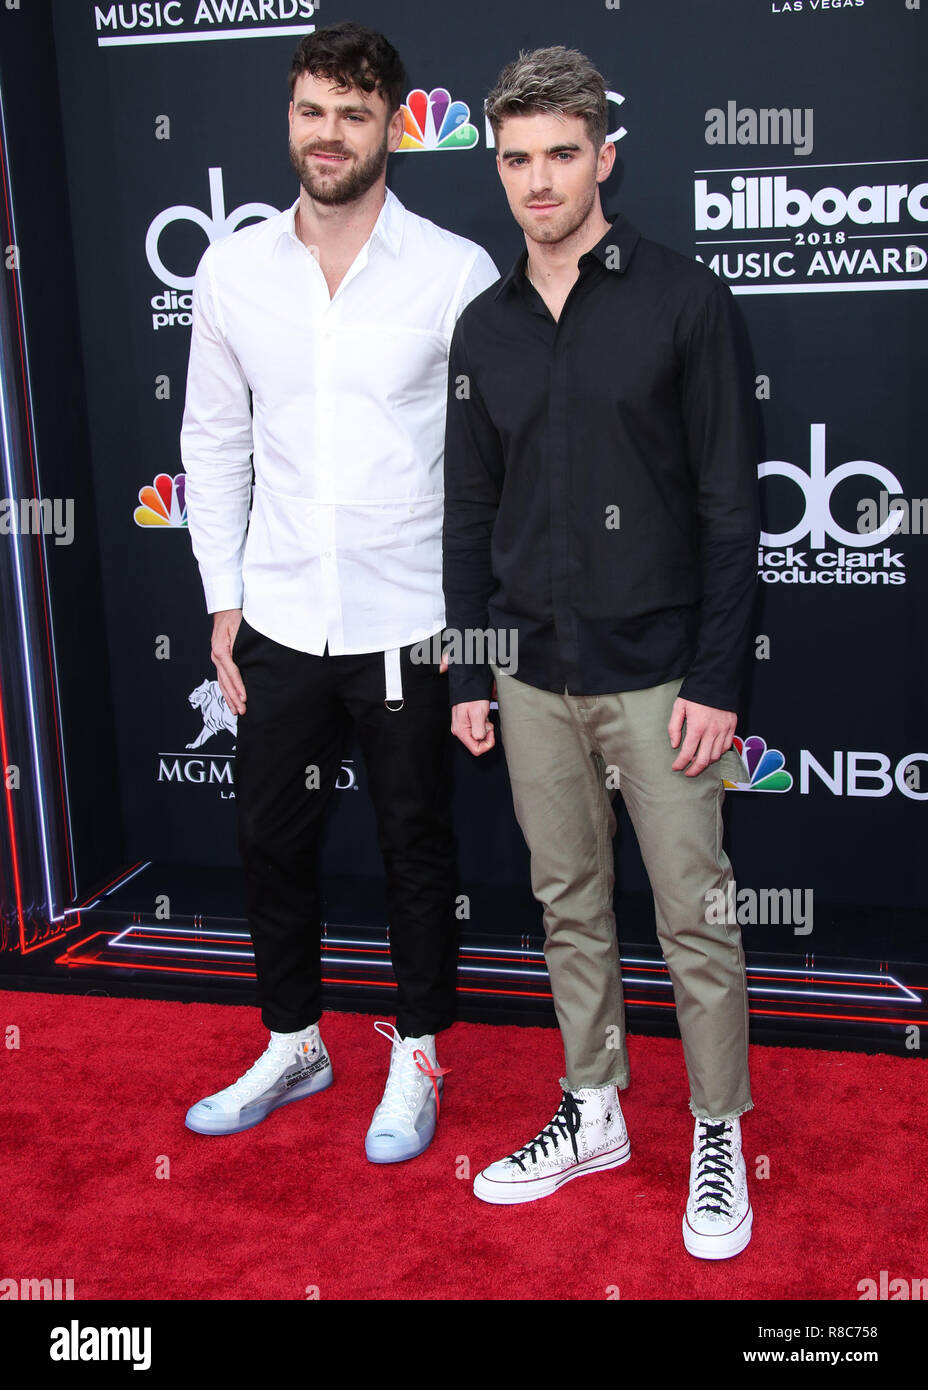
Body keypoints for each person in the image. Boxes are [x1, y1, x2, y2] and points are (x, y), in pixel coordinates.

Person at [442, 46, 760, 1257]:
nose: (537, 179)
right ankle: (594, 1108)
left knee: (694, 917)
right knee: (565, 899)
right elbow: (468, 512)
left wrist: (721, 683)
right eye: (516, 157)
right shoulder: (483, 326)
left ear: (602, 158)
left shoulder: (683, 301)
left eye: (560, 154)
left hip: (665, 677)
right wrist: (470, 671)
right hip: (526, 673)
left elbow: (734, 510)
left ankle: (719, 1128)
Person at [180, 22, 497, 1163]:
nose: (329, 133)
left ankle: (416, 1053)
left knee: (416, 845)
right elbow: (212, 445)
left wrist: (474, 627)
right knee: (272, 839)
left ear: (393, 129)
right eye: (313, 109)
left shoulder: (456, 270)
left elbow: (486, 466)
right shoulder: (232, 269)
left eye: (354, 114)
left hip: (409, 618)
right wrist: (223, 598)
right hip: (273, 617)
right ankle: (294, 1040)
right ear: (290, 116)